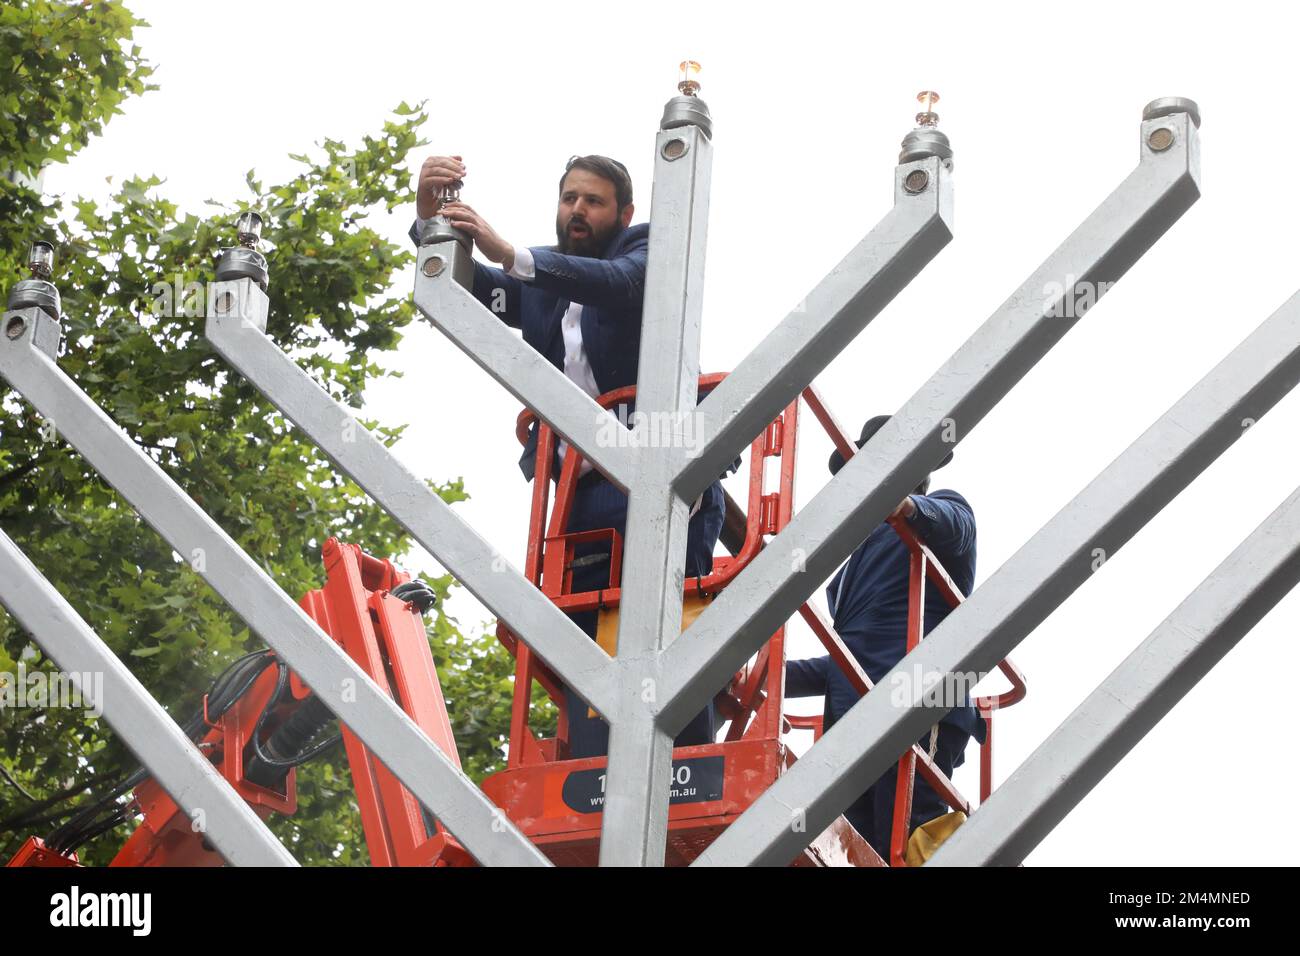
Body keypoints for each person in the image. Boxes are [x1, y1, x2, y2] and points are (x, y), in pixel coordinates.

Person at [410, 153, 726, 758]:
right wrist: (432, 225)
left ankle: (678, 774)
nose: (577, 211)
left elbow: (620, 284)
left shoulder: (649, 249)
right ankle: (596, 771)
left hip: (660, 470)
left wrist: (510, 254)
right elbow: (469, 291)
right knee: (582, 633)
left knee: (666, 625)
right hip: (579, 485)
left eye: (594, 201)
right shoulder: (537, 289)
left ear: (623, 213)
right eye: (569, 198)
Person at [784, 415, 985, 861]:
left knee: (914, 833)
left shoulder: (936, 517)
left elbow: (957, 523)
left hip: (914, 704)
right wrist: (770, 678)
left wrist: (910, 508)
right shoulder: (854, 562)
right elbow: (848, 660)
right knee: (861, 851)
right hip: (852, 723)